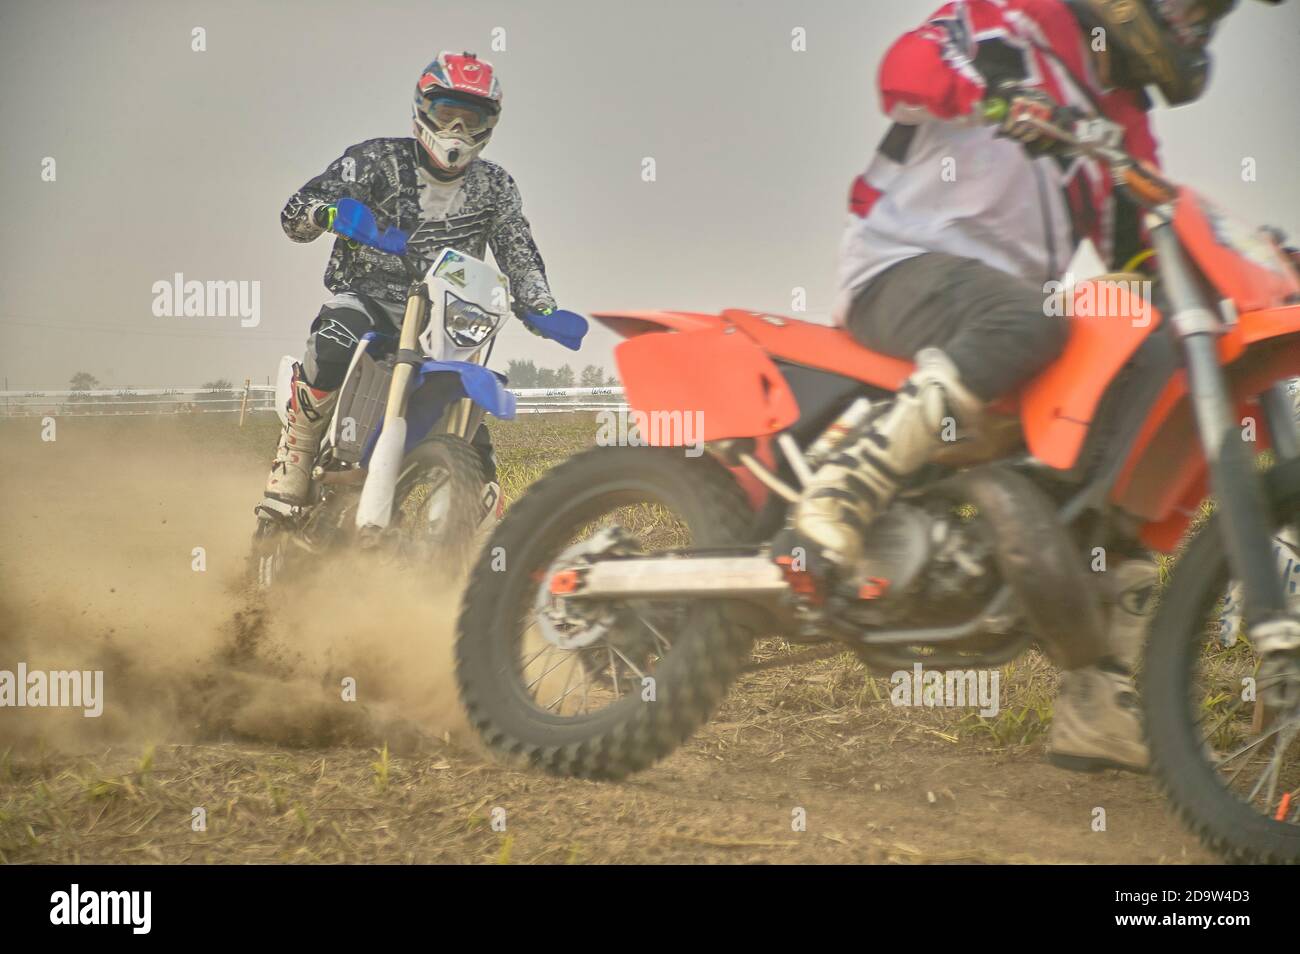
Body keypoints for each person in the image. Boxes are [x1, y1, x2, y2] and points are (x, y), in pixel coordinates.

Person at [788, 0, 1264, 772]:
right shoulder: (1010, 22)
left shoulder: (1123, 114)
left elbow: (1140, 239)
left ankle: (1098, 700)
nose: (1196, 26)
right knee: (1030, 319)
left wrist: (1235, 268)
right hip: (902, 267)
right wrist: (997, 98)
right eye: (1189, 5)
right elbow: (904, 68)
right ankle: (844, 487)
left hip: (1006, 313)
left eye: (1210, 16)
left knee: (1154, 352)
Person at [264, 50, 558, 504]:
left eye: (470, 118)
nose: (456, 130)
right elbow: (293, 216)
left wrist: (540, 304)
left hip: (446, 318)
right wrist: (330, 214)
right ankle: (297, 449)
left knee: (466, 403)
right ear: (424, 109)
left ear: (489, 123)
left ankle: (472, 519)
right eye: (447, 114)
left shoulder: (495, 186)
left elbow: (517, 250)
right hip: (369, 299)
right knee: (335, 338)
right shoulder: (374, 160)